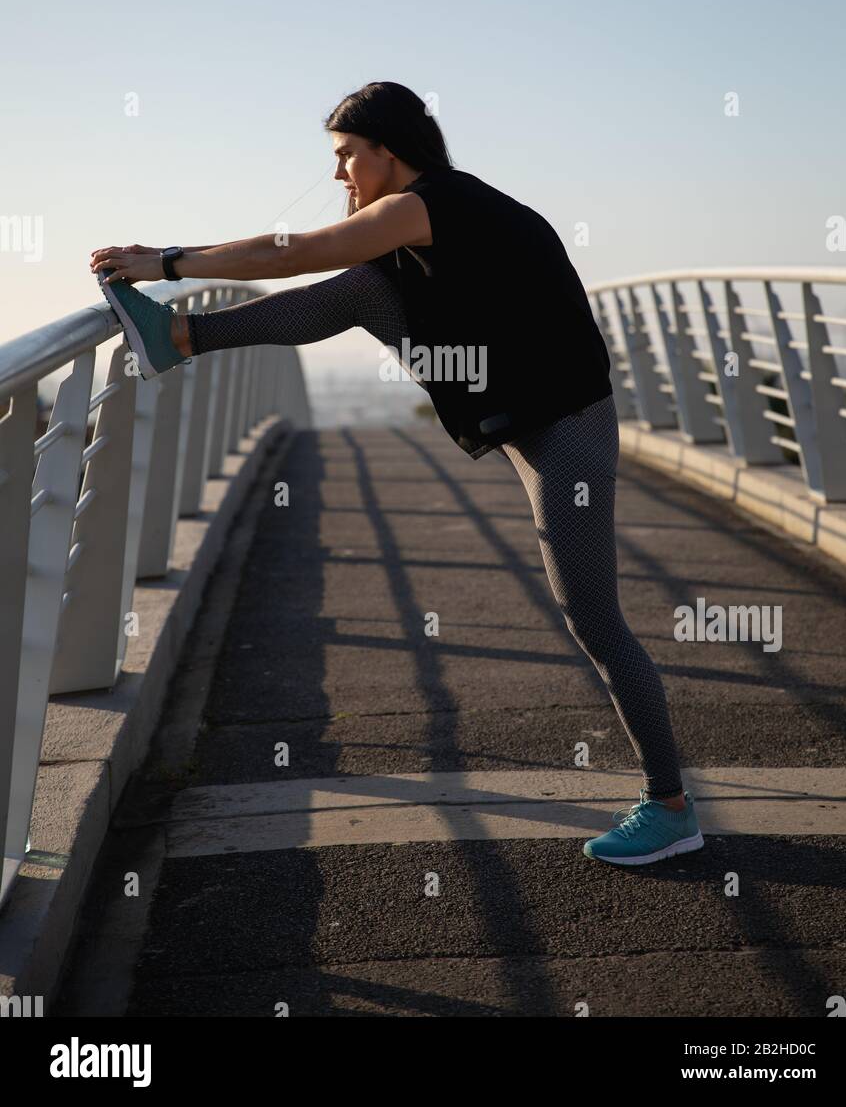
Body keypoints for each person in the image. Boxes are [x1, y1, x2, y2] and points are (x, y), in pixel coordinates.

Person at [90, 80, 703, 865]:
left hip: (566, 428)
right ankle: (179, 339)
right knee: (365, 288)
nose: (341, 174)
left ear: (390, 149)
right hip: (507, 401)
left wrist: (165, 258)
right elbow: (329, 260)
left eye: (347, 157)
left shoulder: (428, 202)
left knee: (594, 616)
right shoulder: (420, 219)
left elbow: (295, 251)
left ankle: (672, 805)